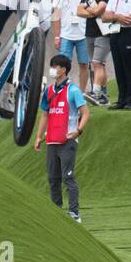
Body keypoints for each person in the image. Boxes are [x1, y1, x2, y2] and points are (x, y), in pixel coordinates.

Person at [33, 54, 88, 223]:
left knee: (68, 177)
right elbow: (44, 115)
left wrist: (78, 131)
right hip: (51, 141)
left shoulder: (73, 90)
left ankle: (74, 213)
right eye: (52, 66)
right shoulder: (48, 91)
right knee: (52, 178)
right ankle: (56, 212)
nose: (52, 69)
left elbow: (86, 113)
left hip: (68, 141)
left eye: (55, 66)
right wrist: (38, 136)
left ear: (63, 70)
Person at [78, 0, 116, 105]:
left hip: (103, 33)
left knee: (97, 63)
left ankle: (95, 92)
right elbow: (79, 11)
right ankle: (103, 95)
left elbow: (99, 9)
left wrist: (89, 10)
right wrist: (91, 11)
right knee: (99, 64)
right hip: (90, 32)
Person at [52, 0, 90, 96]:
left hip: (83, 35)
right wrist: (57, 37)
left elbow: (92, 12)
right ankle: (60, 91)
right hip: (66, 35)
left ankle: (82, 92)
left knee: (84, 64)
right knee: (61, 66)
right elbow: (56, 15)